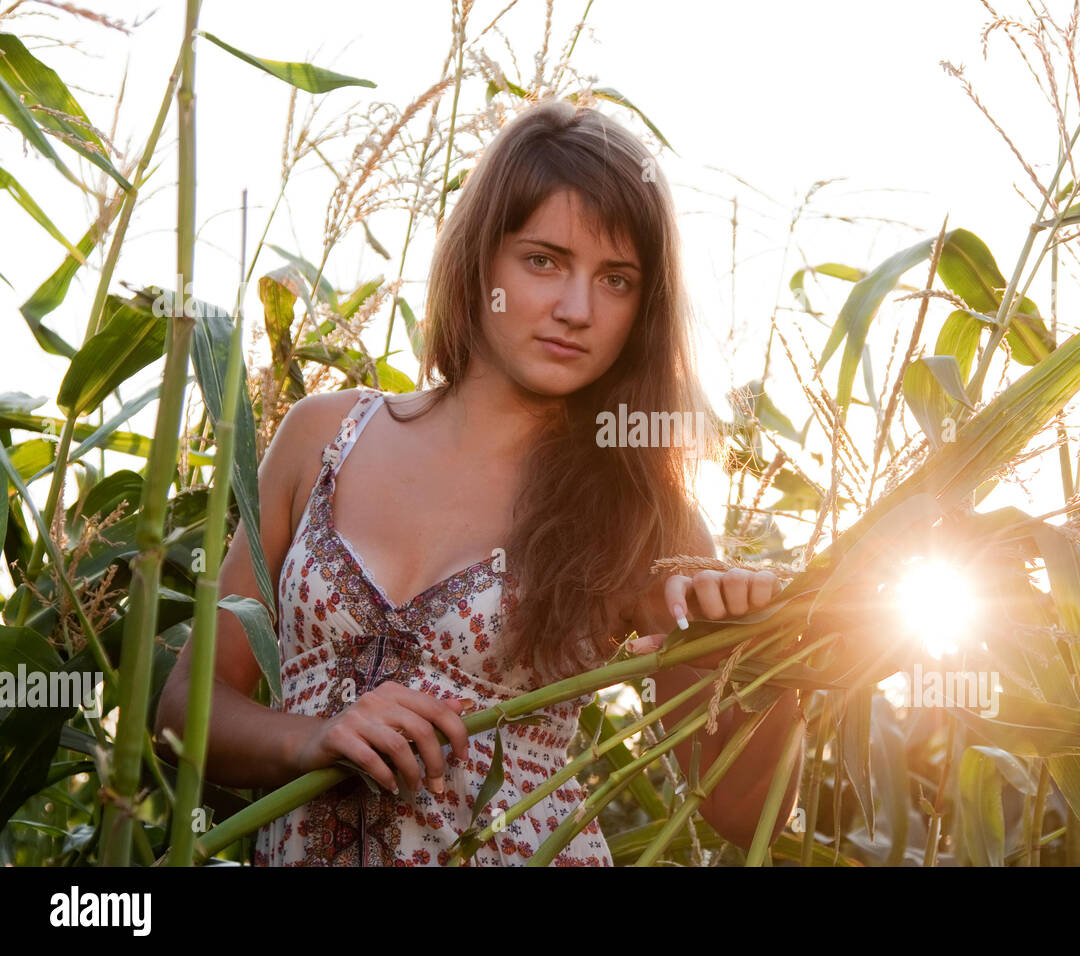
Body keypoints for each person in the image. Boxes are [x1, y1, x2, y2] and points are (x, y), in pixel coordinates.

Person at [156, 96, 803, 866]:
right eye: (543, 261)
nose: (576, 309)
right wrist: (311, 738)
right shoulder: (323, 438)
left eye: (617, 280)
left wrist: (765, 661)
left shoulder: (642, 514)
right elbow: (181, 716)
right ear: (480, 259)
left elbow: (742, 810)